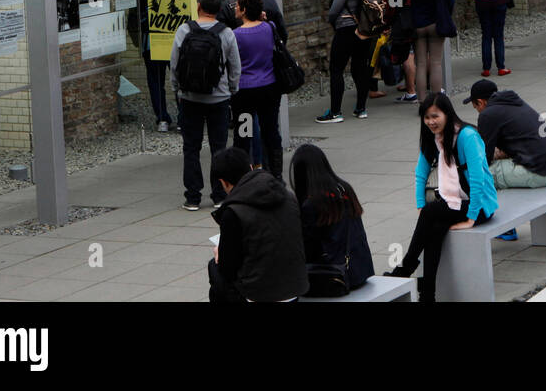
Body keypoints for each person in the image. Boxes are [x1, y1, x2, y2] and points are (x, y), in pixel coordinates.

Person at [388, 93, 498, 303]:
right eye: (427, 117)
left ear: (447, 114)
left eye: (435, 116)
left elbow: (478, 181)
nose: (430, 122)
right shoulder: (433, 137)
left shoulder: (467, 136)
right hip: (454, 202)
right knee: (435, 228)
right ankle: (428, 295)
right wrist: (420, 204)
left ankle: (406, 268)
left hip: (480, 205)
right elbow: (421, 172)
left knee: (432, 213)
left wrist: (471, 218)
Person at [170, 0, 241, 210]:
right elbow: (235, 66)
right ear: (219, 9)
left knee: (191, 147)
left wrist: (177, 90)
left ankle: (192, 196)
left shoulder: (184, 30)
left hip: (190, 98)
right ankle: (219, 194)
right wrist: (232, 89)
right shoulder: (226, 33)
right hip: (218, 98)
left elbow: (174, 64)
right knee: (218, 146)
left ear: (198, 6)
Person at [207, 147, 308, 303]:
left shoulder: (234, 211)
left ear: (223, 182)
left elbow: (228, 269)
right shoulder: (288, 196)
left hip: (259, 293)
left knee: (214, 268)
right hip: (295, 286)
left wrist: (220, 253)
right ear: (250, 167)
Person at [289, 145, 374, 297]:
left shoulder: (313, 203)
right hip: (361, 269)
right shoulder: (344, 188)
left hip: (336, 277)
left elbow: (308, 248)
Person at [465, 80, 546, 190]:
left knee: (474, 176)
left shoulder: (487, 114)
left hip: (540, 173)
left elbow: (484, 158)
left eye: (475, 107)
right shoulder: (514, 103)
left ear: (480, 102)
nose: (478, 111)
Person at [316, 0, 375, 123]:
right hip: (363, 32)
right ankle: (361, 108)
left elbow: (334, 10)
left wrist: (332, 21)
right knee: (360, 69)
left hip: (346, 31)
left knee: (336, 70)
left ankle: (335, 112)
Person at [231, 0, 284, 182]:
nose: (235, 8)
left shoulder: (235, 35)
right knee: (270, 130)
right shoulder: (269, 27)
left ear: (244, 10)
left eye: (237, 6)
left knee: (244, 133)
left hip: (244, 92)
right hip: (269, 87)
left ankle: (243, 175)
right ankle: (276, 173)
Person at [401, 0, 456, 96]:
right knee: (436, 63)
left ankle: (422, 101)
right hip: (436, 23)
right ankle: (437, 99)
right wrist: (446, 14)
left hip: (417, 24)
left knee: (421, 64)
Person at [137, 0, 174, 132]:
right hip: (168, 39)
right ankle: (176, 118)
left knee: (156, 82)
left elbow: (138, 14)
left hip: (153, 41)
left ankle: (163, 119)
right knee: (176, 79)